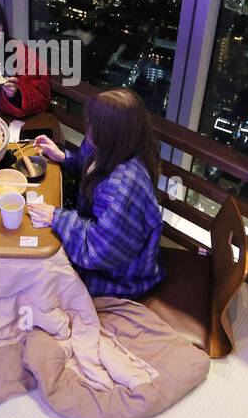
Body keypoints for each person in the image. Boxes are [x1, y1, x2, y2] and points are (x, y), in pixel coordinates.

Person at [27, 88, 164, 298]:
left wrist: (57, 217)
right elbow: (91, 168)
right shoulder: (119, 146)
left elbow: (97, 251)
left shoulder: (123, 188)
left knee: (38, 275)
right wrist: (63, 156)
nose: (88, 125)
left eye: (93, 122)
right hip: (104, 242)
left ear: (111, 132)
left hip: (118, 272)